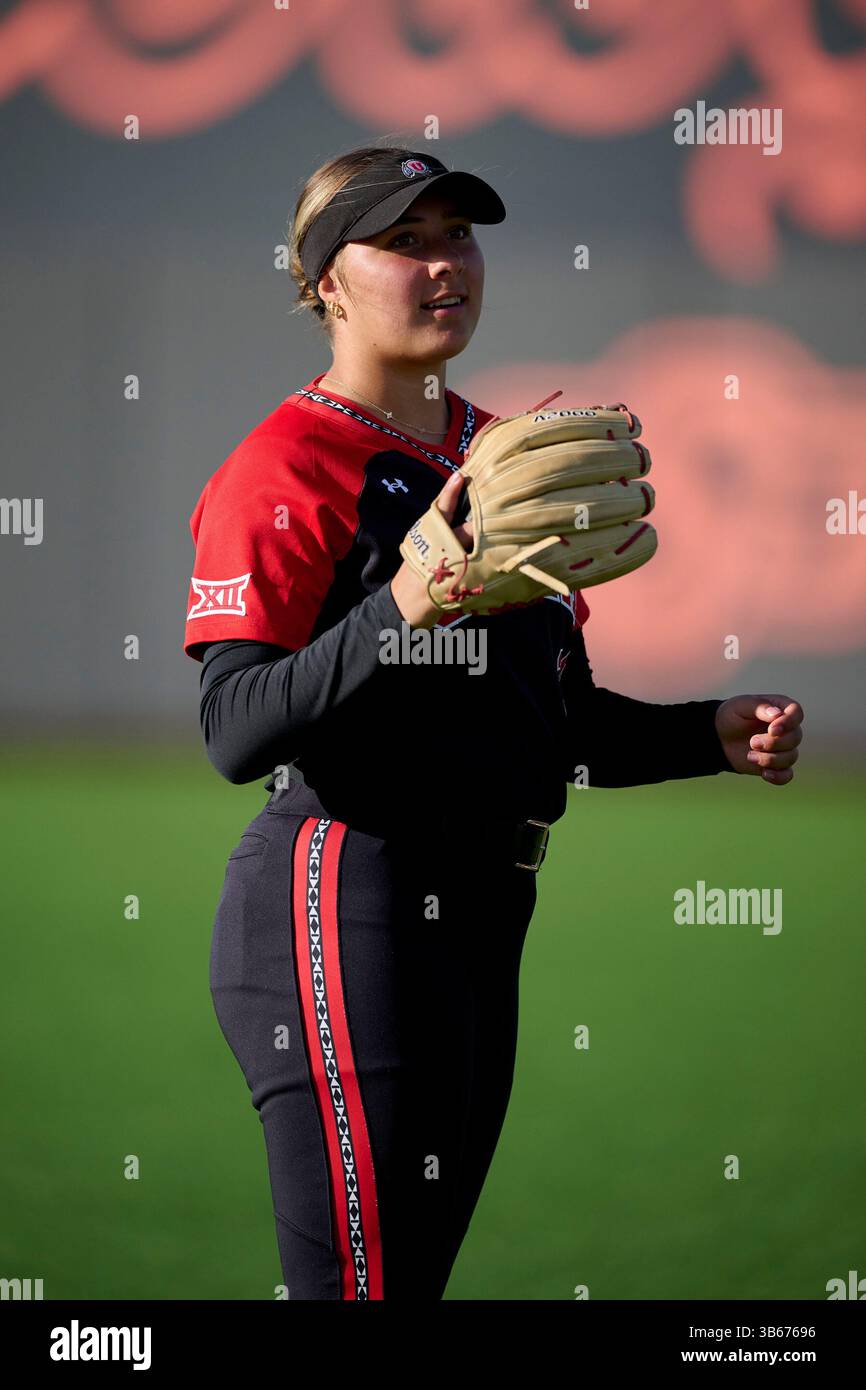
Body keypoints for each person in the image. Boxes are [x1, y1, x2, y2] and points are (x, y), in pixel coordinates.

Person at [183, 143, 806, 1301]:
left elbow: (547, 725)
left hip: (481, 917)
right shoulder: (288, 464)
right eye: (402, 242)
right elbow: (234, 728)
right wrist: (408, 598)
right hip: (345, 899)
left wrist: (702, 734)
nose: (443, 265)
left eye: (458, 237)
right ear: (324, 279)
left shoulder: (500, 458)